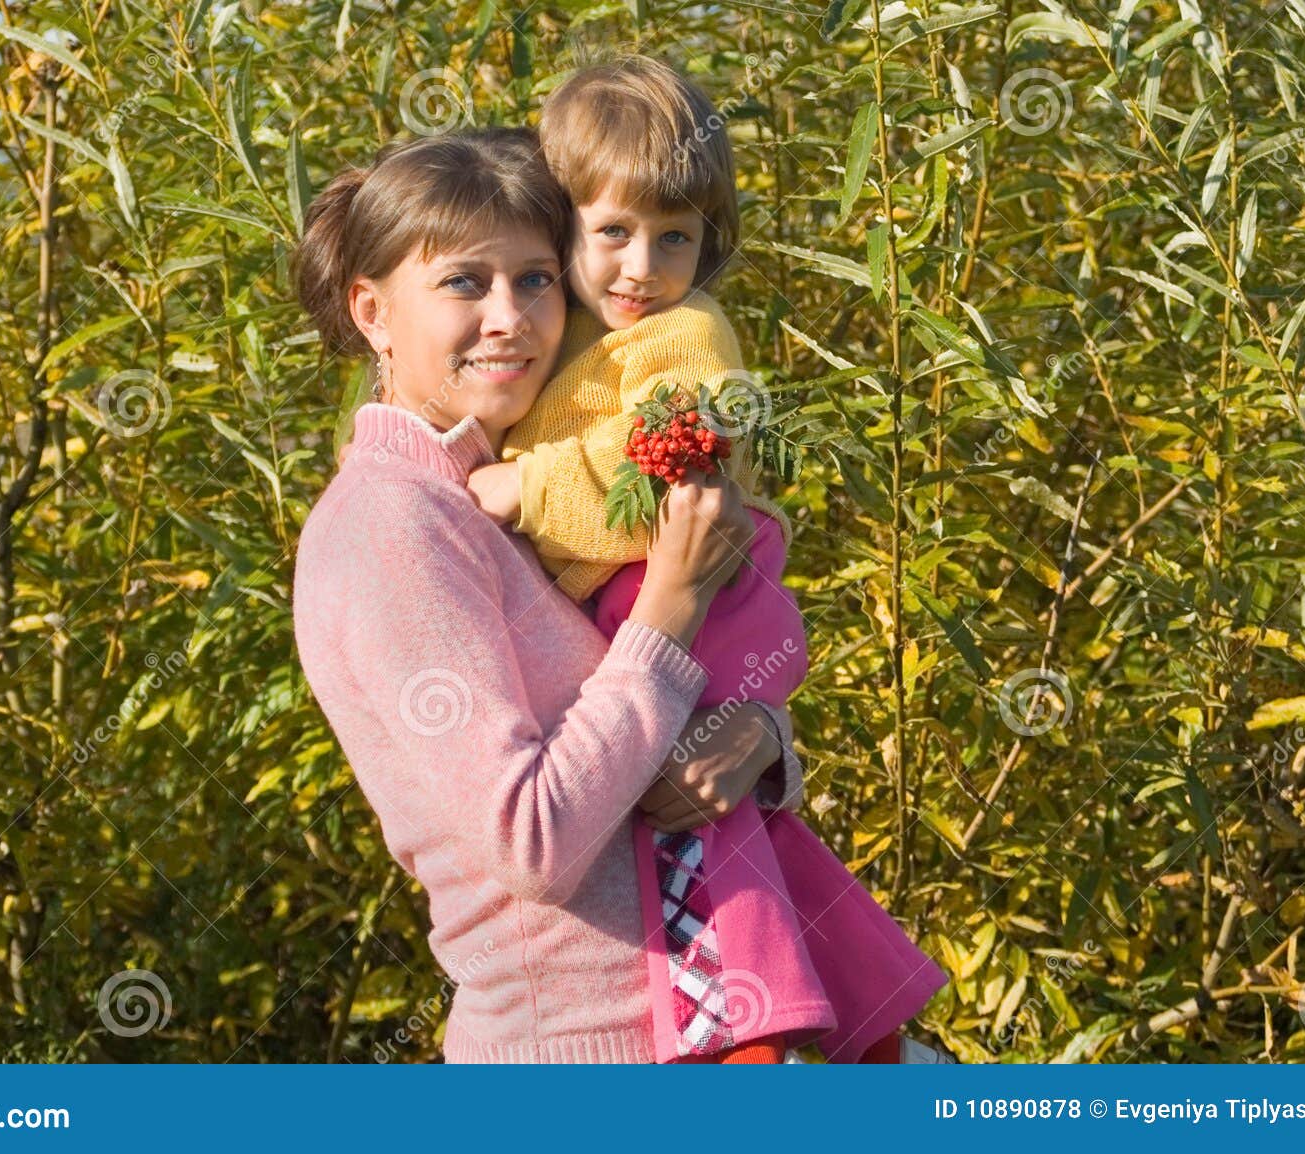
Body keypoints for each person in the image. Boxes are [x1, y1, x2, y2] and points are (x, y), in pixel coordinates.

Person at [465, 56, 947, 1064]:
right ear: (562, 225)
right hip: (644, 609)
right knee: (751, 841)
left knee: (697, 831)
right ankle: (873, 1033)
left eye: (673, 237)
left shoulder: (682, 336)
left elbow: (669, 463)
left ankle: (746, 1039)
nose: (642, 264)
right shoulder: (566, 334)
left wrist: (529, 489)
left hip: (679, 596)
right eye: (613, 233)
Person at [289, 126, 805, 1062]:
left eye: (535, 280)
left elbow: (623, 745)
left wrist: (760, 740)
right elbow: (530, 840)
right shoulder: (391, 526)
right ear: (372, 311)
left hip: (697, 1030)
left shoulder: (514, 496)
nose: (511, 319)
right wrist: (673, 608)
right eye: (463, 283)